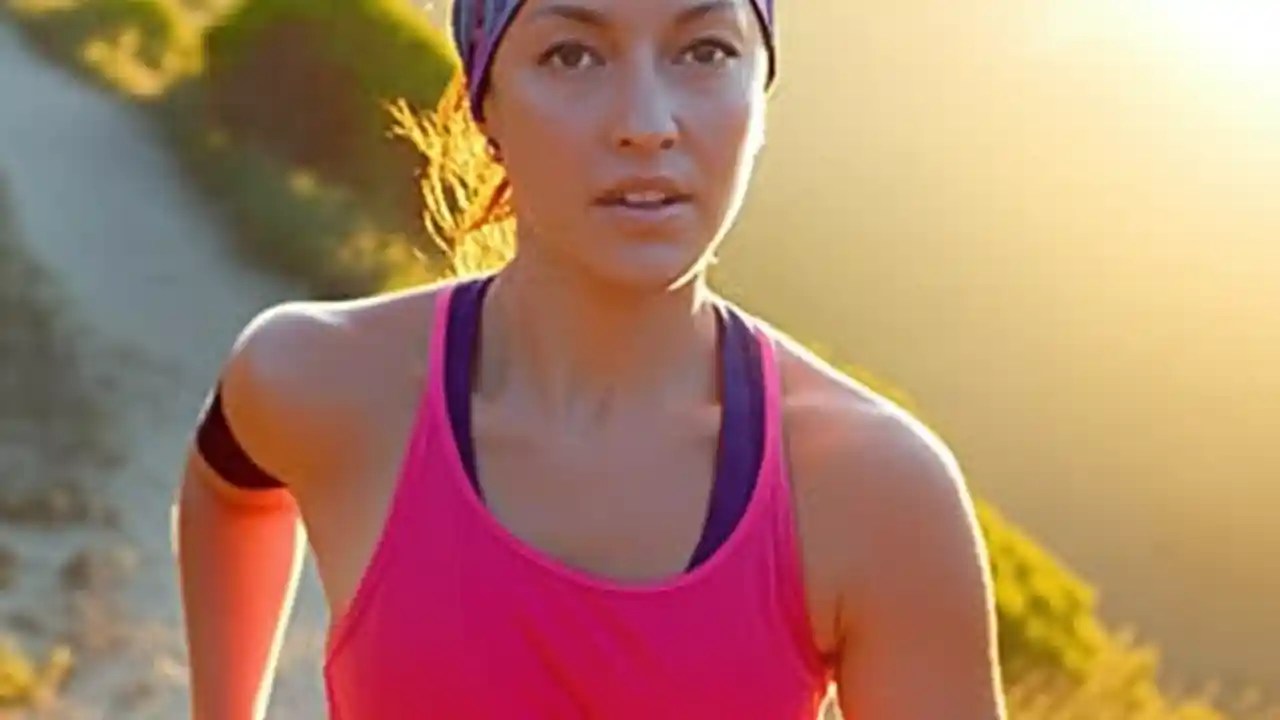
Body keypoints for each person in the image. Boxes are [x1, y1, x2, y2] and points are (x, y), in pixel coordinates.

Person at [175, 0, 1006, 717]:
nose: (647, 122)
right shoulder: (323, 378)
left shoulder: (876, 496)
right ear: (486, 106)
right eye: (572, 55)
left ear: (762, 94)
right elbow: (231, 491)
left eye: (704, 51)